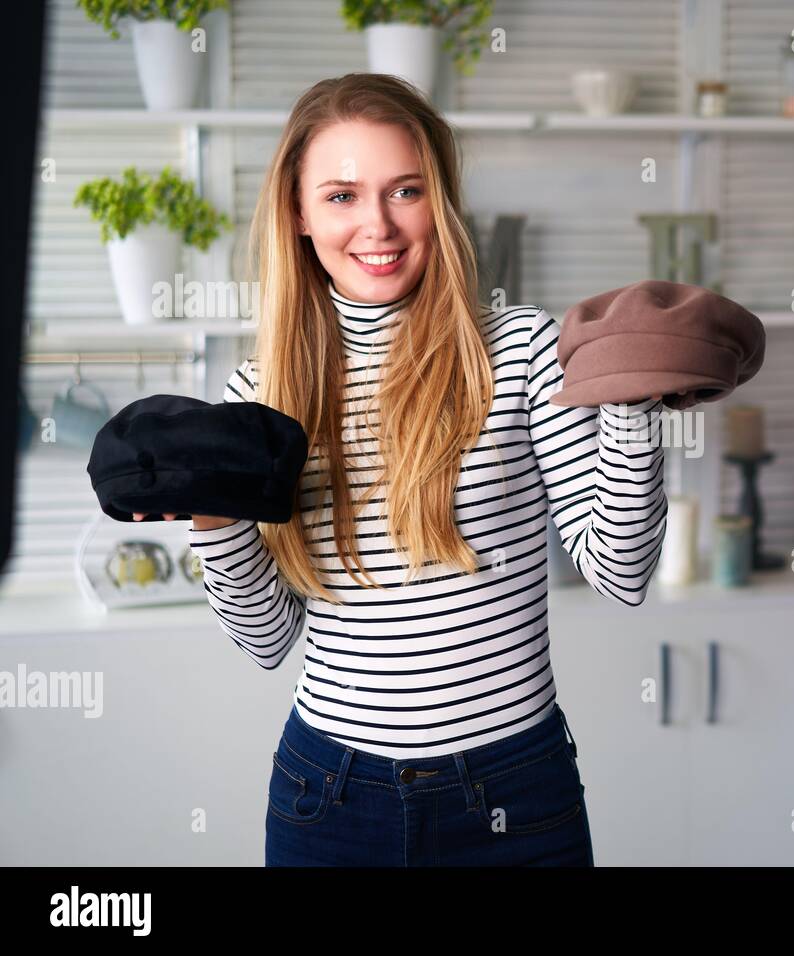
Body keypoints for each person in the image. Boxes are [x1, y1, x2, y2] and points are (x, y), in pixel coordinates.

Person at [132, 73, 668, 866]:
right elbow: (267, 638)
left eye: (405, 190)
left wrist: (632, 401)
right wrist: (211, 515)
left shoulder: (520, 351)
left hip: (515, 796)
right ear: (299, 213)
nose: (377, 224)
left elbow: (622, 574)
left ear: (439, 203)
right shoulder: (261, 396)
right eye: (342, 195)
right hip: (330, 800)